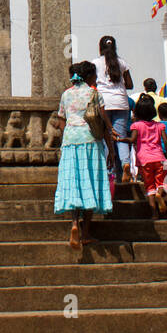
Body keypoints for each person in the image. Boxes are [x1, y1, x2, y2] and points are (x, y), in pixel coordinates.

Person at [51, 61, 114, 248]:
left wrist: (67, 137)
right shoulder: (93, 94)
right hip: (90, 140)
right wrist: (110, 149)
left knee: (73, 182)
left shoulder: (66, 94)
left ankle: (73, 224)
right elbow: (102, 122)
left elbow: (61, 119)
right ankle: (85, 232)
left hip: (71, 141)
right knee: (90, 183)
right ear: (89, 77)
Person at [93, 36, 134, 183]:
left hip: (104, 102)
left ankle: (109, 171)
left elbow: (92, 82)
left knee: (106, 136)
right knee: (121, 136)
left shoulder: (96, 63)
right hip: (121, 102)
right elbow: (129, 84)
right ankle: (126, 163)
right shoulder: (122, 63)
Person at [130, 95, 167, 214]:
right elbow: (166, 142)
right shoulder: (159, 125)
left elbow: (132, 140)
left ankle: (154, 213)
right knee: (161, 183)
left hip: (144, 159)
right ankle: (159, 194)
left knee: (149, 186)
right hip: (159, 157)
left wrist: (121, 140)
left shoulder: (136, 126)